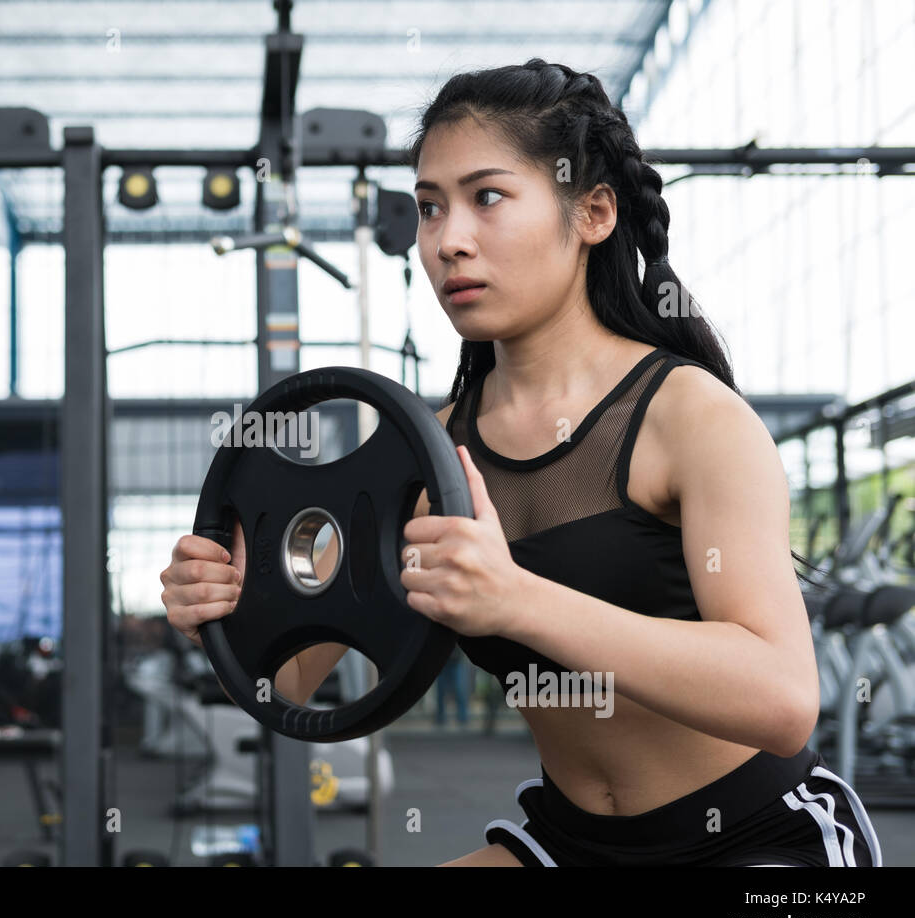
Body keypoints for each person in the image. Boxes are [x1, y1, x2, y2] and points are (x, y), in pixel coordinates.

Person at [159, 59, 881, 867]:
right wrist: (228, 602)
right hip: (570, 844)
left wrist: (516, 600)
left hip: (758, 840)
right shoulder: (424, 454)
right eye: (429, 208)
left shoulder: (692, 417)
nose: (447, 240)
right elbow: (281, 688)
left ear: (594, 212)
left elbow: (783, 700)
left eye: (486, 197)